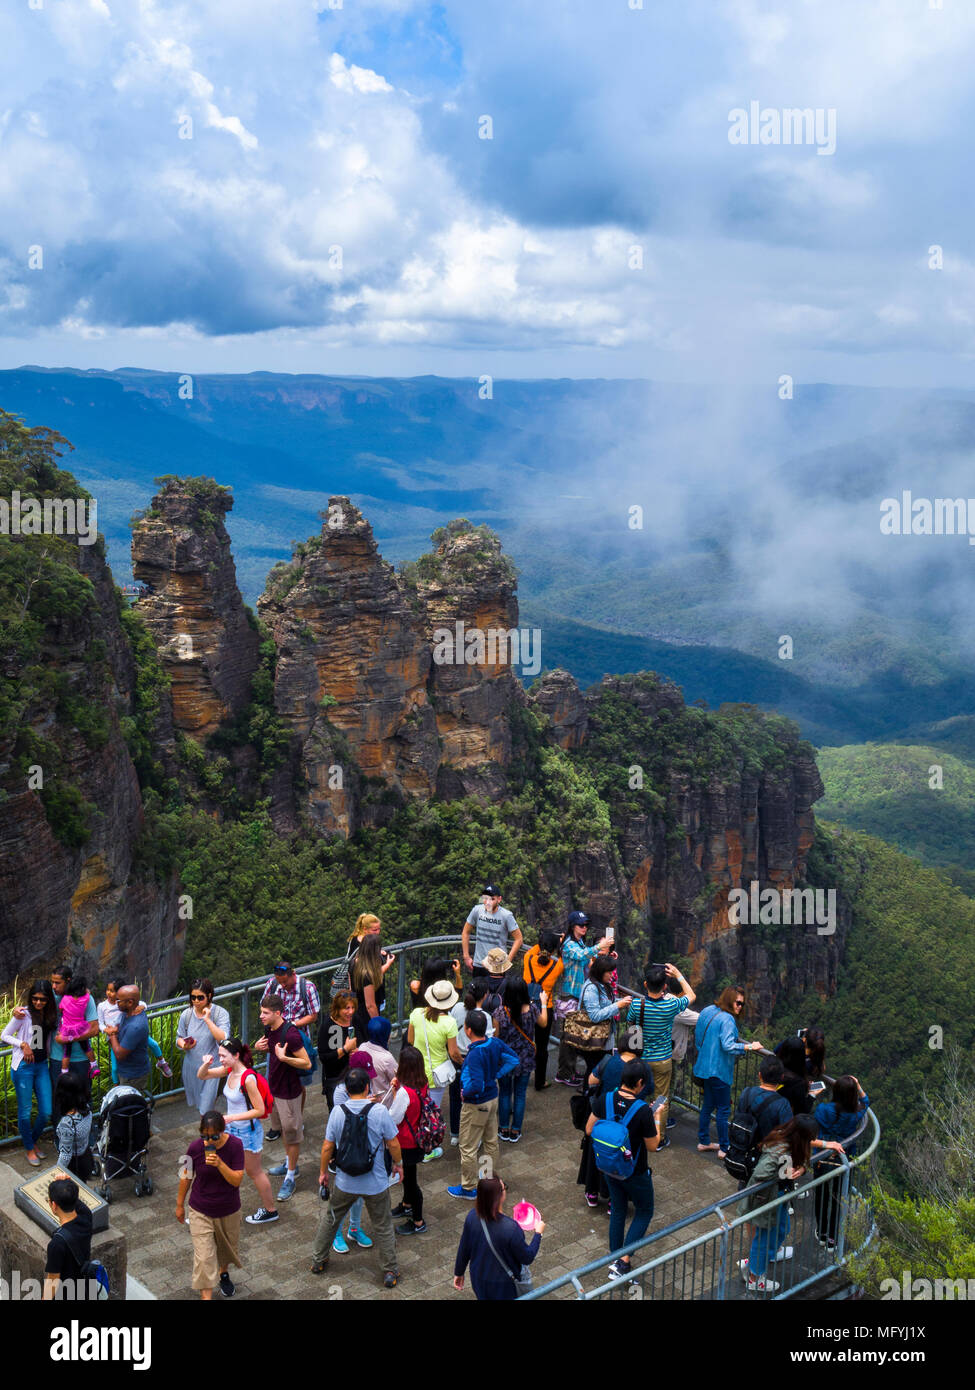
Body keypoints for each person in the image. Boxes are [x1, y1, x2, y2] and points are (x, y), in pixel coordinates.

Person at [310, 1066, 403, 1289]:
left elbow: (327, 1147)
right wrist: (398, 1165)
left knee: (331, 1219)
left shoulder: (337, 1112)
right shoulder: (379, 1111)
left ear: (346, 1089)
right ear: (367, 1087)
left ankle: (318, 1260)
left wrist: (323, 1173)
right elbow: (393, 1143)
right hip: (376, 1182)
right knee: (382, 1225)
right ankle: (389, 1270)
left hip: (345, 1181)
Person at [740, 1115, 844, 1292]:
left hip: (778, 1195)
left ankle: (760, 1259)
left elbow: (803, 1145)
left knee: (782, 1228)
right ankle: (755, 1277)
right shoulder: (783, 1153)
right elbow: (776, 1173)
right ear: (801, 1137)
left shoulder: (783, 1133)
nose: (812, 1140)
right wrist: (803, 1167)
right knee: (765, 1237)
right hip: (770, 1198)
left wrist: (827, 1145)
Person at [585, 1060, 665, 1281]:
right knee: (645, 1210)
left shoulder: (605, 1099)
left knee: (618, 1210)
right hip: (634, 1171)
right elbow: (653, 1145)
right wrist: (656, 1117)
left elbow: (589, 1129)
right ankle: (623, 1262)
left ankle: (615, 1259)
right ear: (640, 1083)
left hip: (609, 1167)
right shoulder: (643, 1112)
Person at [195, 1038, 279, 1226]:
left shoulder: (247, 1078)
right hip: (232, 1130)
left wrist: (231, 1117)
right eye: (219, 1056)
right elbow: (202, 1075)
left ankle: (271, 1210)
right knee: (217, 1166)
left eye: (224, 1056)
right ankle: (210, 1208)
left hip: (247, 1133)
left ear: (236, 1055)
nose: (221, 1059)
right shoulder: (230, 1070)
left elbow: (258, 1110)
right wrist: (206, 1063)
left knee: (254, 1172)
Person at [578, 1024, 651, 1208]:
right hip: (629, 1122)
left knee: (597, 1152)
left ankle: (592, 1193)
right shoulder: (643, 1068)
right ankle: (615, 1200)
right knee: (621, 1157)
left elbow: (591, 1080)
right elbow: (647, 1091)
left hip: (603, 1115)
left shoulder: (608, 1061)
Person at [448, 1010, 519, 1201]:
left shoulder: (474, 1055)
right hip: (492, 1099)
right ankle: (487, 1178)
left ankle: (469, 1187)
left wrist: (466, 1093)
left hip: (476, 1104)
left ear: (468, 1030)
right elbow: (513, 1059)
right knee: (490, 1141)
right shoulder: (494, 1042)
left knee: (468, 1147)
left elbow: (476, 1084)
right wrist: (496, 1074)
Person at [176, 1110, 245, 1299]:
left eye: (214, 1136)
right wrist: (179, 1204)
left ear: (223, 1131)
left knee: (226, 1248)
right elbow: (185, 1175)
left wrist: (220, 1164)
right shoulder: (194, 1148)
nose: (209, 1141)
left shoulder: (236, 1146)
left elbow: (237, 1180)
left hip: (228, 1209)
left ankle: (223, 1273)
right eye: (204, 1136)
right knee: (204, 1257)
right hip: (200, 1208)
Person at [626, 962, 695, 1143]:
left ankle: (638, 1129)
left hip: (642, 1059)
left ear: (645, 984)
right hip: (663, 1060)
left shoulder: (636, 1004)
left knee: (639, 1094)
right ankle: (658, 1138)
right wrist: (678, 973)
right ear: (665, 986)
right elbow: (691, 995)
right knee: (660, 1099)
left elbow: (631, 1024)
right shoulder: (671, 1005)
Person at [253, 994, 311, 1201]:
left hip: (289, 1092)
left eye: (265, 1013)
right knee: (283, 1131)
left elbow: (307, 1063)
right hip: (274, 1090)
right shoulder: (270, 1029)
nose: (261, 1016)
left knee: (292, 1133)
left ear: (278, 1013)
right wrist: (261, 1048)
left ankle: (291, 1176)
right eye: (261, 1012)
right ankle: (288, 1164)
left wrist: (285, 1058)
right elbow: (273, 1051)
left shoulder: (292, 1035)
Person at [694, 987, 763, 1158]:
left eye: (742, 1004)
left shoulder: (708, 1010)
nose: (740, 1006)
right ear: (729, 999)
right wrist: (748, 1046)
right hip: (719, 1071)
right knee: (723, 1110)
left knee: (708, 1106)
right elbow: (728, 1045)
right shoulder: (728, 1020)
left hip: (704, 1069)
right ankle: (724, 1148)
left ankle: (704, 1141)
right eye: (738, 1002)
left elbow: (697, 1035)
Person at [453, 1176, 544, 1300]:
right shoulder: (511, 1228)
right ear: (499, 1196)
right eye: (504, 1188)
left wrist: (459, 1272)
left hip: (478, 1278)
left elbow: (464, 1248)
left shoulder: (472, 1216)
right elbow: (527, 1257)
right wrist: (538, 1234)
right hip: (503, 1285)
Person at [554, 912, 613, 1085]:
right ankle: (564, 1073)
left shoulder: (579, 942)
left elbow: (588, 961)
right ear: (573, 926)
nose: (585, 927)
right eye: (581, 925)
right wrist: (599, 946)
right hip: (569, 994)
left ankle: (570, 1070)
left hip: (577, 994)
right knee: (568, 1038)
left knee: (573, 1035)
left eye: (586, 924)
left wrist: (604, 958)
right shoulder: (569, 945)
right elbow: (581, 955)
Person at [3, 980, 56, 1165]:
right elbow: (4, 1035)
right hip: (24, 1068)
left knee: (46, 1111)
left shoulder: (50, 1014)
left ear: (48, 999)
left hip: (42, 1065)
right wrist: (23, 1044)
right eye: (35, 999)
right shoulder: (23, 1014)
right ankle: (29, 1148)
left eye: (42, 999)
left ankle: (32, 1142)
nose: (38, 1003)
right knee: (25, 1111)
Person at [814, 1075, 870, 1250]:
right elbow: (866, 1100)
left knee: (821, 1195)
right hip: (844, 1160)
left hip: (822, 1159)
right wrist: (858, 1084)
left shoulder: (822, 1110)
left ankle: (822, 1234)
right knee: (839, 1198)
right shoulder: (856, 1113)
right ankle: (832, 1239)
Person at [261, 960, 321, 1122]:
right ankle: (277, 1123)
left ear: (293, 974)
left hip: (297, 1041)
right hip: (276, 1041)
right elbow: (265, 1009)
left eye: (285, 981)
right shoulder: (272, 985)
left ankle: (296, 1118)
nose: (283, 985)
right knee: (273, 1081)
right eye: (279, 982)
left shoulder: (307, 988)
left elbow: (313, 1015)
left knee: (298, 1083)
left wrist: (291, 1026)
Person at [495, 977, 547, 1143]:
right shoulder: (531, 1009)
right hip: (525, 1059)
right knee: (520, 1094)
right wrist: (544, 1003)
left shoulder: (499, 1012)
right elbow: (544, 1024)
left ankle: (503, 1128)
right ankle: (515, 1130)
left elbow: (495, 1038)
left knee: (504, 1093)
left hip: (504, 1060)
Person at [407, 979, 463, 1130]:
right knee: (431, 1112)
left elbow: (410, 1040)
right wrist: (463, 1062)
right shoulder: (449, 1022)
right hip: (437, 1073)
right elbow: (453, 1053)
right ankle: (429, 1146)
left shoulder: (416, 1013)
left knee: (417, 1108)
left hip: (416, 1069)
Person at [386, 1043, 430, 1234]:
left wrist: (395, 1092)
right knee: (409, 1177)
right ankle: (406, 1204)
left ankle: (418, 1221)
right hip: (417, 1138)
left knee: (410, 1181)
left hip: (406, 1142)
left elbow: (393, 1118)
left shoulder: (405, 1092)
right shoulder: (423, 1082)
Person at [48, 966, 98, 1123]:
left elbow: (94, 1029)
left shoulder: (85, 998)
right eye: (52, 982)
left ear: (68, 981)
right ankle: (61, 1140)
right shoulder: (50, 997)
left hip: (81, 1060)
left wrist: (68, 1039)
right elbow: (33, 1006)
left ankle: (86, 1139)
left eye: (57, 983)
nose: (54, 986)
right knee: (59, 1101)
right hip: (57, 1059)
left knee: (83, 1099)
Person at [448, 979, 496, 1145]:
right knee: (475, 1098)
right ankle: (474, 1136)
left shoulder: (456, 1008)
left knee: (454, 1096)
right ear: (484, 996)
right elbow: (487, 1042)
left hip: (456, 1058)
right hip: (474, 1059)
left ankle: (455, 1133)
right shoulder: (486, 1017)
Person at [175, 980, 231, 1115]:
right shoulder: (187, 1015)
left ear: (209, 996)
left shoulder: (219, 1014)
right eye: (193, 997)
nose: (196, 1001)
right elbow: (179, 1038)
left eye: (200, 997)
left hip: (212, 1070)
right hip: (191, 1069)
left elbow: (223, 1038)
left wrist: (207, 1019)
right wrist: (184, 1045)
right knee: (199, 1106)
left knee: (205, 1110)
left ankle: (207, 1134)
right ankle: (208, 1133)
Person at [98, 980, 171, 1083]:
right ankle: (116, 1087)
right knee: (114, 1067)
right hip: (115, 1037)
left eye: (112, 991)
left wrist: (143, 1007)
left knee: (153, 1044)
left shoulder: (126, 1005)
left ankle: (162, 1062)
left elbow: (141, 1003)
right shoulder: (103, 1006)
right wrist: (107, 1030)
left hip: (124, 1034)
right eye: (108, 990)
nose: (109, 993)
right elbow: (100, 1023)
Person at [575, 955, 632, 1085]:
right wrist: (618, 1005)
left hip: (602, 1039)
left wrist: (621, 1002)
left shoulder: (602, 984)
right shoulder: (591, 988)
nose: (612, 975)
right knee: (593, 1072)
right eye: (609, 972)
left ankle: (591, 1099)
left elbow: (605, 1004)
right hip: (593, 1039)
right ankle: (588, 1101)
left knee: (597, 1071)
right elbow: (594, 1016)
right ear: (601, 971)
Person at [522, 930, 563, 1090]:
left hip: (524, 1007)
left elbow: (535, 948)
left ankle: (521, 1076)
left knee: (524, 1041)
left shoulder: (528, 958)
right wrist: (560, 942)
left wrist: (547, 940)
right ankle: (540, 1081)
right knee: (542, 1046)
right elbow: (563, 956)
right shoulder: (557, 967)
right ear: (553, 950)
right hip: (545, 1009)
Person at [43, 1177, 93, 1301]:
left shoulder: (56, 1243)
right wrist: (67, 1187)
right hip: (84, 1289)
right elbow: (76, 1203)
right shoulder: (86, 1217)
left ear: (54, 1205)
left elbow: (53, 1279)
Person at [462, 883, 523, 978]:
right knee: (478, 992)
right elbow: (466, 932)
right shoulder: (477, 910)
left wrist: (507, 961)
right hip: (479, 963)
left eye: (492, 899)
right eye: (485, 898)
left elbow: (518, 939)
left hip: (497, 967)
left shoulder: (506, 915)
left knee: (496, 992)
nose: (488, 902)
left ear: (499, 899)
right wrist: (466, 956)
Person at [330, 912, 393, 997]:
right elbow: (373, 975)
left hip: (353, 984)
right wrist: (388, 963)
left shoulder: (354, 938)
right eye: (374, 930)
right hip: (364, 989)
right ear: (365, 929)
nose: (378, 932)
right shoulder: (367, 945)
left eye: (379, 929)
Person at [736, 1056, 794, 1148]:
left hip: (741, 1145)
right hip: (764, 1151)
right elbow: (788, 1133)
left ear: (760, 1075)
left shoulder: (746, 1092)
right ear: (782, 1077)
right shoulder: (783, 1103)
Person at [103, 985, 152, 1091]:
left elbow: (119, 1054)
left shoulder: (135, 1026)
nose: (116, 1003)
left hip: (133, 1076)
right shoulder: (128, 1013)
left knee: (130, 1104)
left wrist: (112, 1035)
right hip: (128, 1071)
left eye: (118, 1000)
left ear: (130, 1003)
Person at [318, 991, 357, 1112]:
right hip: (335, 1077)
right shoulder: (328, 1026)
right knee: (338, 1111)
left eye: (353, 1007)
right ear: (337, 1008)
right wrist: (345, 1049)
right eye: (346, 1008)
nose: (350, 1012)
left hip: (355, 1074)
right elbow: (325, 1058)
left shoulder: (355, 1020)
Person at [56, 976, 99, 1078]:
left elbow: (61, 1009)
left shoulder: (65, 999)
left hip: (67, 1030)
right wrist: (87, 992)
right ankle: (94, 1065)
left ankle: (64, 1071)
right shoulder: (85, 999)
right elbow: (88, 994)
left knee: (67, 1052)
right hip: (80, 1028)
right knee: (87, 1048)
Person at [54, 1074, 94, 1181]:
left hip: (73, 1166)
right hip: (86, 1157)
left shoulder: (66, 1123)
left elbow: (65, 1155)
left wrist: (56, 1174)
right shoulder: (86, 1108)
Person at [350, 935, 386, 1041]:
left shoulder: (353, 963)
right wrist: (379, 1026)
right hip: (367, 1017)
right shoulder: (367, 975)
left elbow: (351, 990)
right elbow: (370, 1005)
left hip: (357, 1012)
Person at [774, 1036, 813, 1114]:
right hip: (783, 1121)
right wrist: (812, 1096)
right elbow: (802, 1111)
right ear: (802, 1055)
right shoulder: (798, 1083)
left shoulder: (773, 1067)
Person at [360, 1016, 398, 1094]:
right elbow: (398, 1080)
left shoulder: (362, 1047)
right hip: (385, 1102)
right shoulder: (387, 1058)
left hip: (367, 1098)